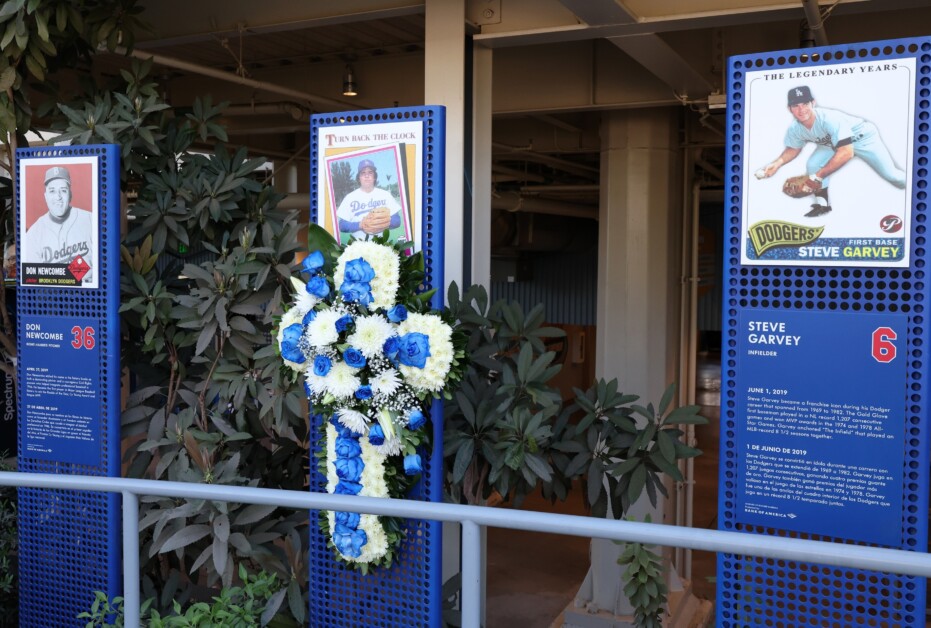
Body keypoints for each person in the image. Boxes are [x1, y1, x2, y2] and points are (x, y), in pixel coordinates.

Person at [759, 85, 906, 218]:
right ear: (789, 108)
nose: (801, 109)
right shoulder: (795, 128)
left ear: (813, 103)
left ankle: (914, 186)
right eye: (796, 105)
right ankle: (823, 206)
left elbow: (846, 152)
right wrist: (777, 163)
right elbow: (793, 149)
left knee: (892, 175)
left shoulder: (829, 119)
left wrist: (818, 177)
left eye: (805, 103)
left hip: (862, 138)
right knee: (813, 164)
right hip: (833, 143)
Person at [21, 166, 94, 282]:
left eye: (63, 190)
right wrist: (76, 273)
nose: (58, 197)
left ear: (70, 194)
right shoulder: (33, 234)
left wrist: (63, 274)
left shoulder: (90, 220)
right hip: (50, 293)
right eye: (52, 191)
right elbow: (33, 278)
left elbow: (104, 264)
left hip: (88, 292)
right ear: (45, 196)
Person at [336, 159, 402, 241]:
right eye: (363, 173)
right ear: (359, 177)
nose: (367, 176)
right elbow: (342, 225)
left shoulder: (385, 195)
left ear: (374, 177)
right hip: (358, 244)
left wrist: (379, 224)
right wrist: (361, 225)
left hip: (381, 244)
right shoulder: (349, 198)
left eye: (370, 172)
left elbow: (397, 221)